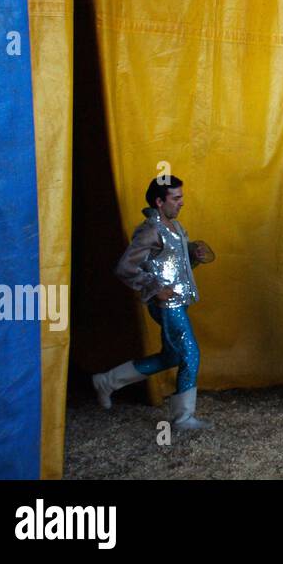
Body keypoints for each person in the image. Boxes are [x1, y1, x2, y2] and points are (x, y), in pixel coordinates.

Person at [92, 175, 215, 431]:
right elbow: (125, 267)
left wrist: (193, 254)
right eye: (176, 198)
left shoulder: (176, 228)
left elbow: (172, 266)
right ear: (160, 201)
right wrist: (154, 288)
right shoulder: (150, 230)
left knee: (171, 356)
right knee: (190, 354)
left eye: (181, 197)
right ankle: (183, 419)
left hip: (178, 300)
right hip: (167, 305)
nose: (181, 202)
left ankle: (107, 381)